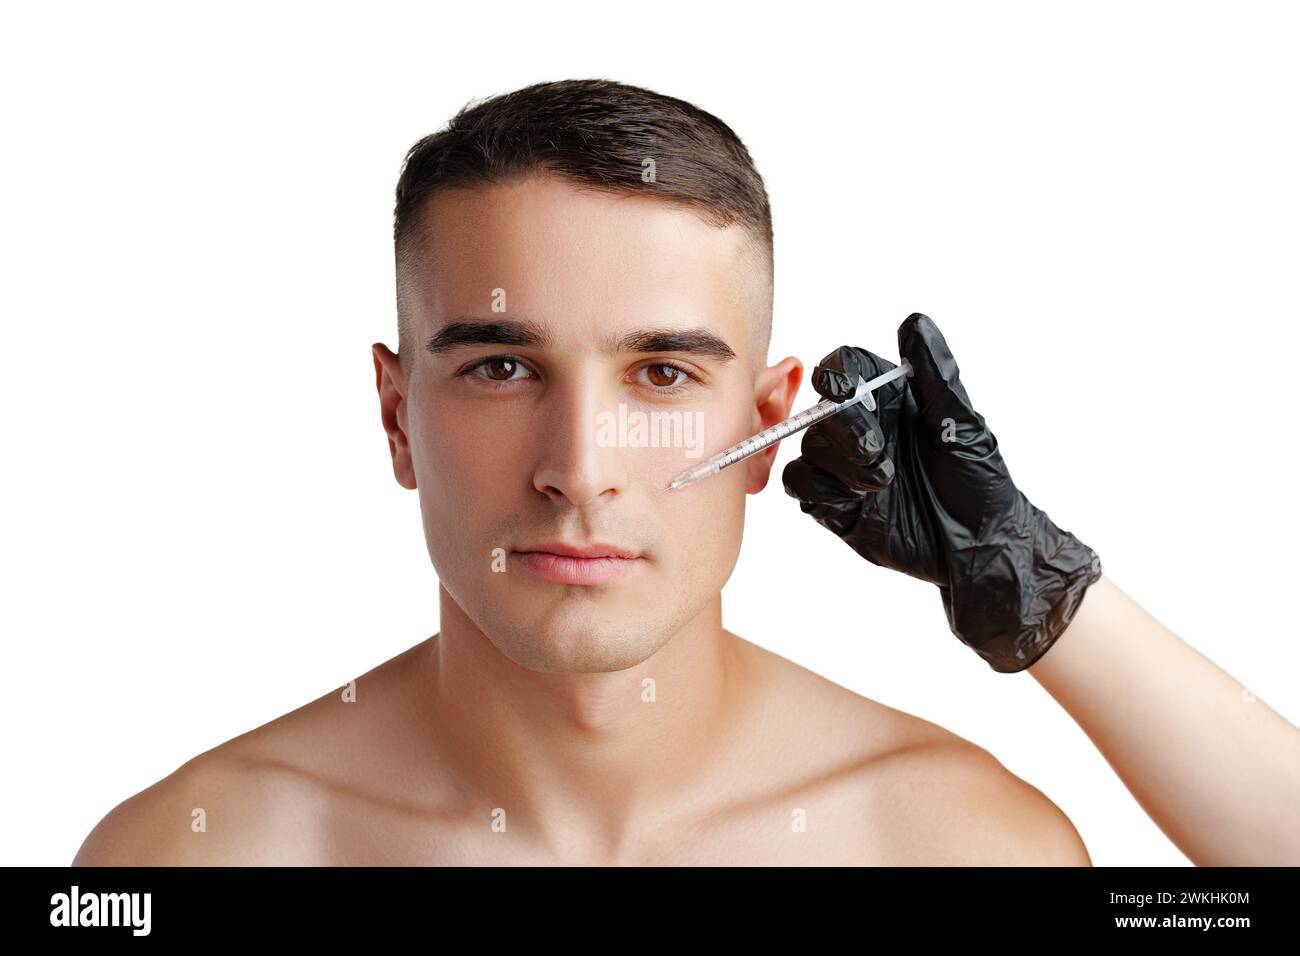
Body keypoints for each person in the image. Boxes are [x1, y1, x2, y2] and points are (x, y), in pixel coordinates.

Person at [71, 78, 1295, 867]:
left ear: (771, 424)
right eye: (502, 367)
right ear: (396, 418)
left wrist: (1046, 595)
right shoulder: (188, 857)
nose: (581, 468)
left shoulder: (946, 842)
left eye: (661, 374)